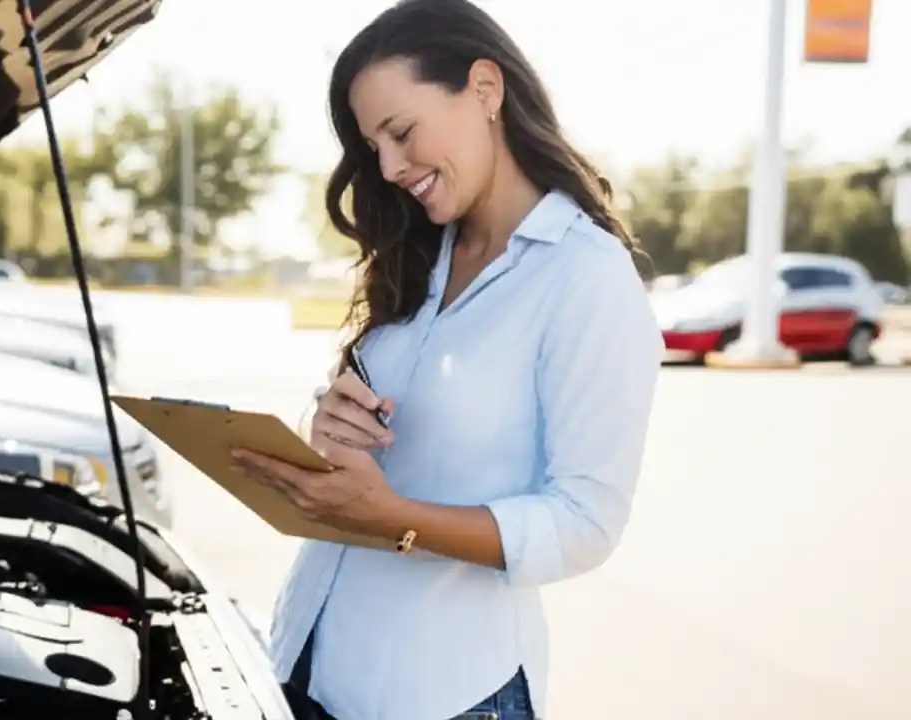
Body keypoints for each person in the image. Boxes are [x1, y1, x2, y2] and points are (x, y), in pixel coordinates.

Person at [229, 1, 663, 718]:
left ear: (485, 89)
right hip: (311, 662)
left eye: (402, 132)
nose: (392, 167)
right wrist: (332, 423)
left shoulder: (585, 277)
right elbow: (398, 436)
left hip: (446, 690)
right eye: (374, 148)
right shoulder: (418, 256)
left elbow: (586, 524)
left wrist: (393, 516)